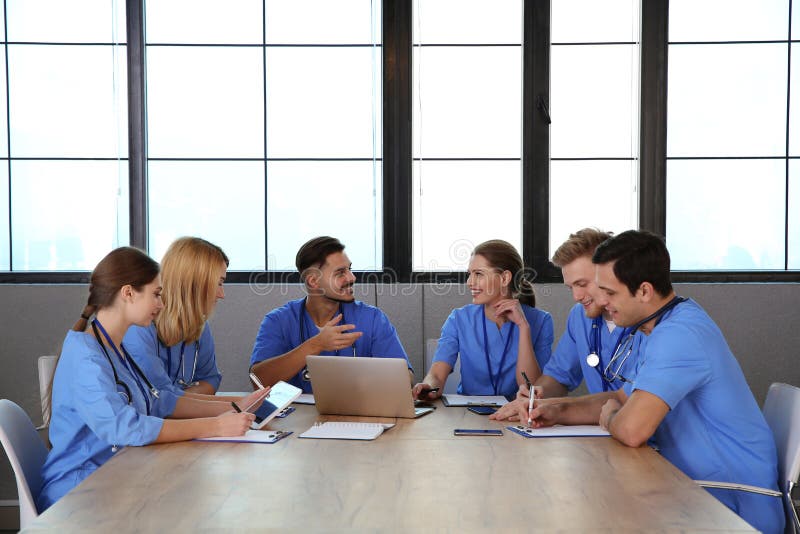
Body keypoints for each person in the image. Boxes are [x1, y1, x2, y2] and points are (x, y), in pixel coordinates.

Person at [519, 230, 783, 534]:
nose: (602, 301)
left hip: (731, 506)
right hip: (689, 489)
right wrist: (555, 410)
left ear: (644, 291)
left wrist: (611, 417)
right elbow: (622, 398)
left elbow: (631, 429)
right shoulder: (660, 326)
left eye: (610, 292)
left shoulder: (678, 335)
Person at [38, 247, 269, 512]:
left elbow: (158, 401)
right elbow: (124, 427)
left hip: (118, 473)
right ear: (128, 293)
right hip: (80, 489)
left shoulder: (114, 349)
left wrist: (235, 405)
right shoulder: (87, 357)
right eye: (156, 294)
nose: (161, 304)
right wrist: (214, 426)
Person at [490, 229, 636, 420]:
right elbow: (558, 376)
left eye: (582, 284)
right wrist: (537, 396)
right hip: (605, 429)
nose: (576, 296)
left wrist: (556, 407)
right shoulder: (580, 316)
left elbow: (631, 399)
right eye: (571, 287)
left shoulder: (645, 321)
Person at [250, 236, 412, 392]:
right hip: (294, 411)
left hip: (356, 410)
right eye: (340, 273)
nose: (352, 277)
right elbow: (258, 382)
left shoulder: (372, 319)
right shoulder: (278, 321)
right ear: (313, 281)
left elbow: (407, 379)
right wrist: (316, 344)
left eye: (349, 269)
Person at [413, 240, 553, 399]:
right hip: (467, 410)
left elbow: (531, 390)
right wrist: (428, 387)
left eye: (478, 274)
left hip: (516, 410)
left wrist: (523, 327)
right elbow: (437, 375)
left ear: (504, 278)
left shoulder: (541, 321)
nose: (469, 282)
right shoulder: (459, 319)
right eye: (470, 274)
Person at [124, 237, 227, 396]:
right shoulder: (138, 327)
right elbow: (158, 398)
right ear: (193, 283)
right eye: (218, 283)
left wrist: (182, 400)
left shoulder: (199, 324)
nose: (222, 294)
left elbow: (210, 379)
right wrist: (187, 399)